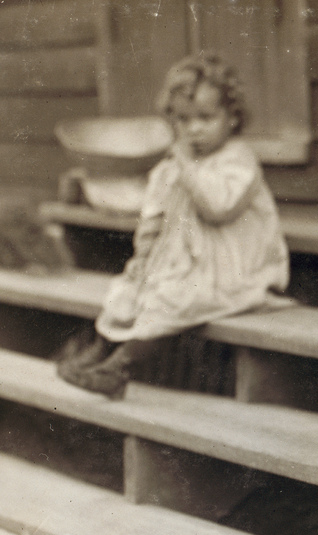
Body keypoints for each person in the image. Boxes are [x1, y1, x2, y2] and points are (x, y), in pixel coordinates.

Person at [57, 52, 290, 399]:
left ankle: (120, 366)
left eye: (205, 118)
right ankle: (100, 352)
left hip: (233, 266)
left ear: (232, 117)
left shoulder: (238, 160)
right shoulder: (170, 168)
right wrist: (143, 258)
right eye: (183, 120)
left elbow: (218, 207)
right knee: (129, 288)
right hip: (184, 259)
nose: (193, 129)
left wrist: (186, 165)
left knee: (173, 297)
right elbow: (153, 218)